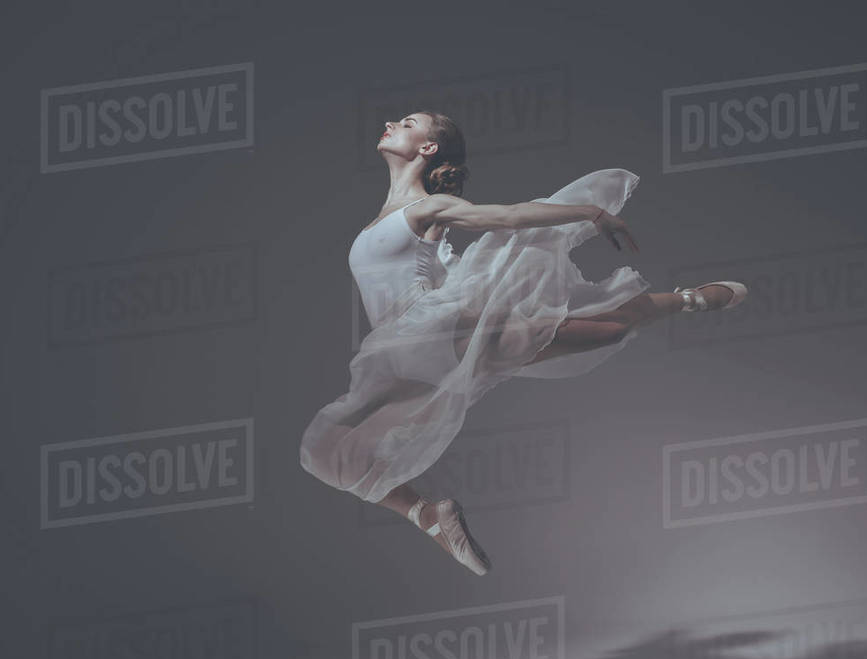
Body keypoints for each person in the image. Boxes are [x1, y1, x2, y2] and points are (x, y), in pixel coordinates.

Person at [299, 110, 746, 576]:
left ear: (428, 148)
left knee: (607, 331)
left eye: (408, 122)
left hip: (437, 329)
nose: (392, 123)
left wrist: (591, 212)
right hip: (397, 351)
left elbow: (508, 217)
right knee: (325, 450)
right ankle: (428, 516)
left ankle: (688, 300)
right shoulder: (382, 220)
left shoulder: (427, 208)